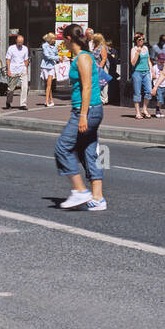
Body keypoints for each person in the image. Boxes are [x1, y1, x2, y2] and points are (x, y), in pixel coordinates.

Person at [54, 23, 106, 210]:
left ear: (69, 39)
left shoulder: (83, 58)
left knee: (62, 147)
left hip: (87, 110)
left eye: (63, 39)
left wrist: (83, 115)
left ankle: (80, 190)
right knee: (88, 151)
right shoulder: (81, 56)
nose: (62, 43)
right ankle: (98, 198)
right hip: (91, 110)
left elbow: (87, 87)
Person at [130, 33, 153, 119]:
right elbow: (132, 63)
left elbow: (148, 60)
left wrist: (152, 71)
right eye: (140, 39)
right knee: (137, 93)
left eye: (143, 39)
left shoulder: (146, 48)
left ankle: (144, 109)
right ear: (136, 41)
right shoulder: (134, 49)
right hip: (137, 73)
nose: (142, 41)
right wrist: (137, 53)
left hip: (146, 72)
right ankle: (137, 112)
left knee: (149, 91)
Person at [5, 33, 29, 109]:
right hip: (13, 69)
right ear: (16, 41)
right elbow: (8, 59)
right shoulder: (11, 48)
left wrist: (26, 69)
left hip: (22, 69)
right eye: (19, 42)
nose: (20, 44)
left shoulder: (25, 48)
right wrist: (8, 70)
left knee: (25, 87)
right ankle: (8, 102)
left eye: (21, 42)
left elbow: (26, 60)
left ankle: (23, 104)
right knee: (11, 89)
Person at [150, 35, 165, 117]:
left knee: (162, 99)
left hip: (163, 69)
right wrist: (154, 70)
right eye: (162, 41)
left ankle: (158, 110)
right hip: (156, 68)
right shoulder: (154, 47)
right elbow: (152, 58)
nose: (163, 43)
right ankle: (157, 110)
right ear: (160, 40)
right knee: (159, 98)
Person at [40, 33, 59, 106]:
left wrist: (59, 59)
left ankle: (46, 101)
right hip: (45, 66)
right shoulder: (44, 45)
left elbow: (56, 55)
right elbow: (47, 56)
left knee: (49, 84)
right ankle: (51, 100)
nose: (55, 40)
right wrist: (57, 58)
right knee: (48, 85)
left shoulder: (55, 47)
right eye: (54, 38)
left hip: (51, 67)